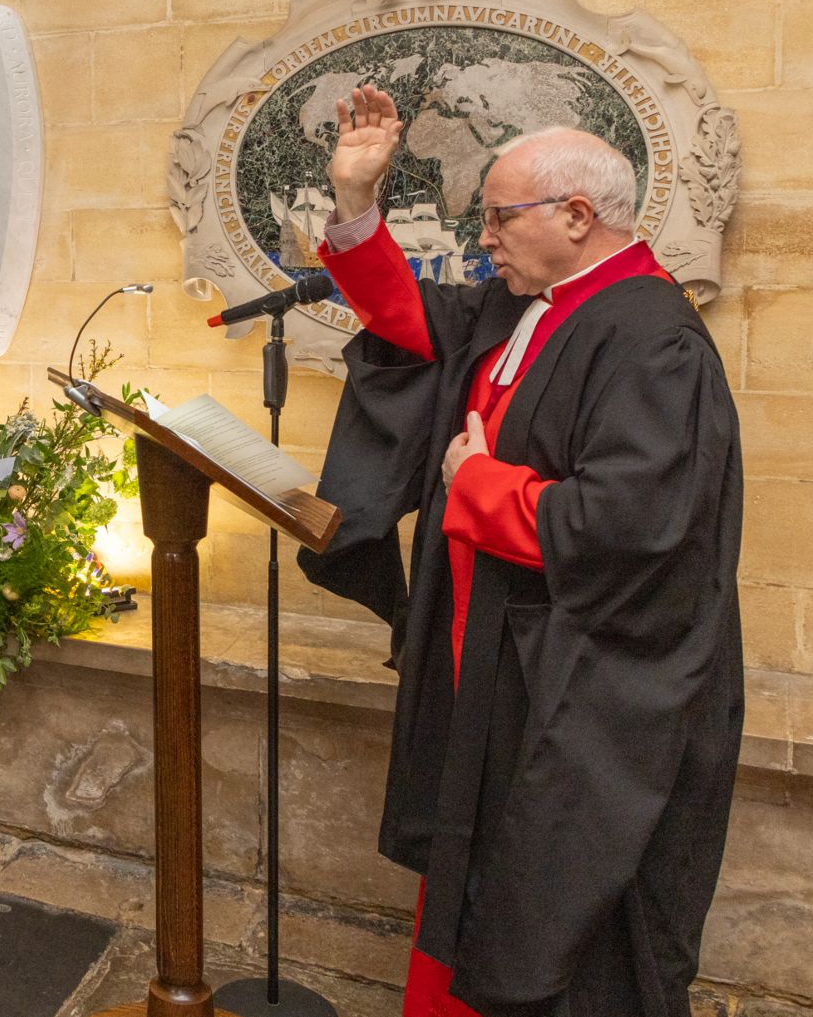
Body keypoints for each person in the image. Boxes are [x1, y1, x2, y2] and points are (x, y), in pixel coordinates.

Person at [299, 86, 743, 1017]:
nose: (483, 238)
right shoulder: (525, 306)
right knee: (480, 902)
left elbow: (633, 525)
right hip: (496, 671)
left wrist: (474, 486)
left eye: (499, 217)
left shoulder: (653, 338)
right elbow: (405, 321)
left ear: (577, 217)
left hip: (579, 696)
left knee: (558, 935)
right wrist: (354, 203)